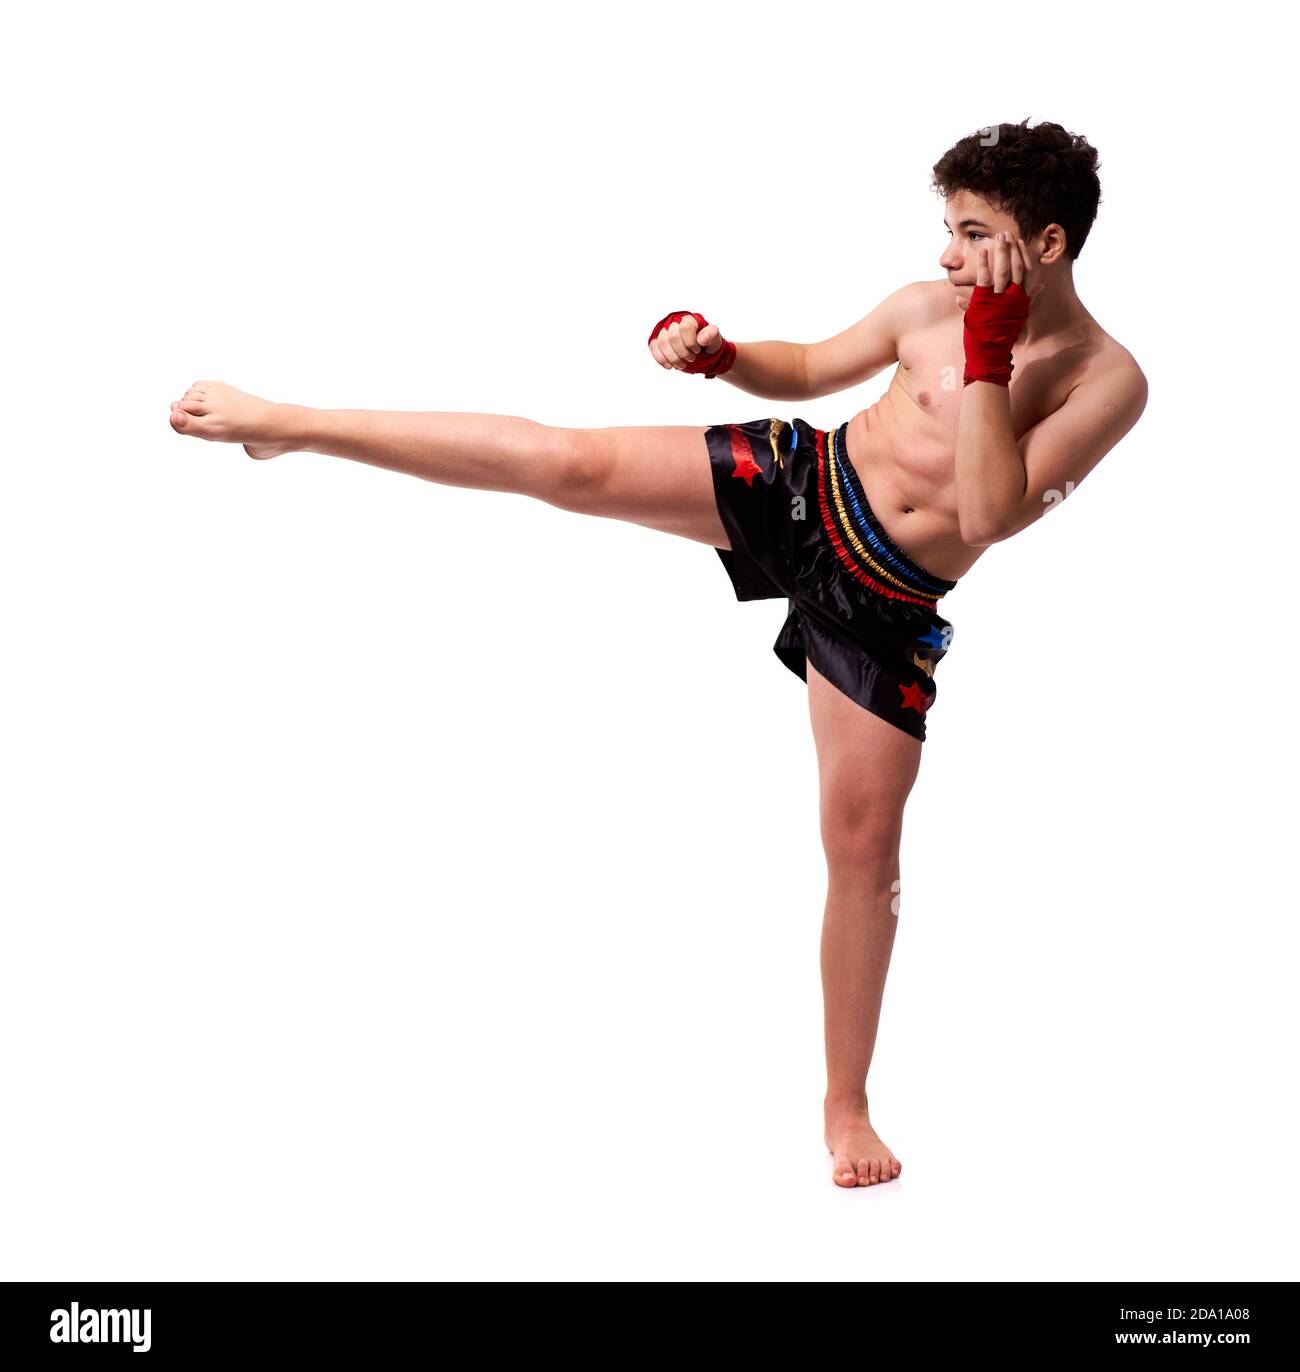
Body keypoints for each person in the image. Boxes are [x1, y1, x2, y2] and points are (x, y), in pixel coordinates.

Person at [168, 120, 1148, 1188]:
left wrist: (990, 354)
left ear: (1046, 243)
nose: (949, 259)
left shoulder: (1105, 381)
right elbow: (815, 365)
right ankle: (296, 422)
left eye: (972, 234)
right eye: (945, 231)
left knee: (863, 856)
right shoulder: (926, 310)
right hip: (803, 485)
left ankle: (844, 1104)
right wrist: (726, 359)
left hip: (883, 599)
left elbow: (987, 509)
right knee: (570, 461)